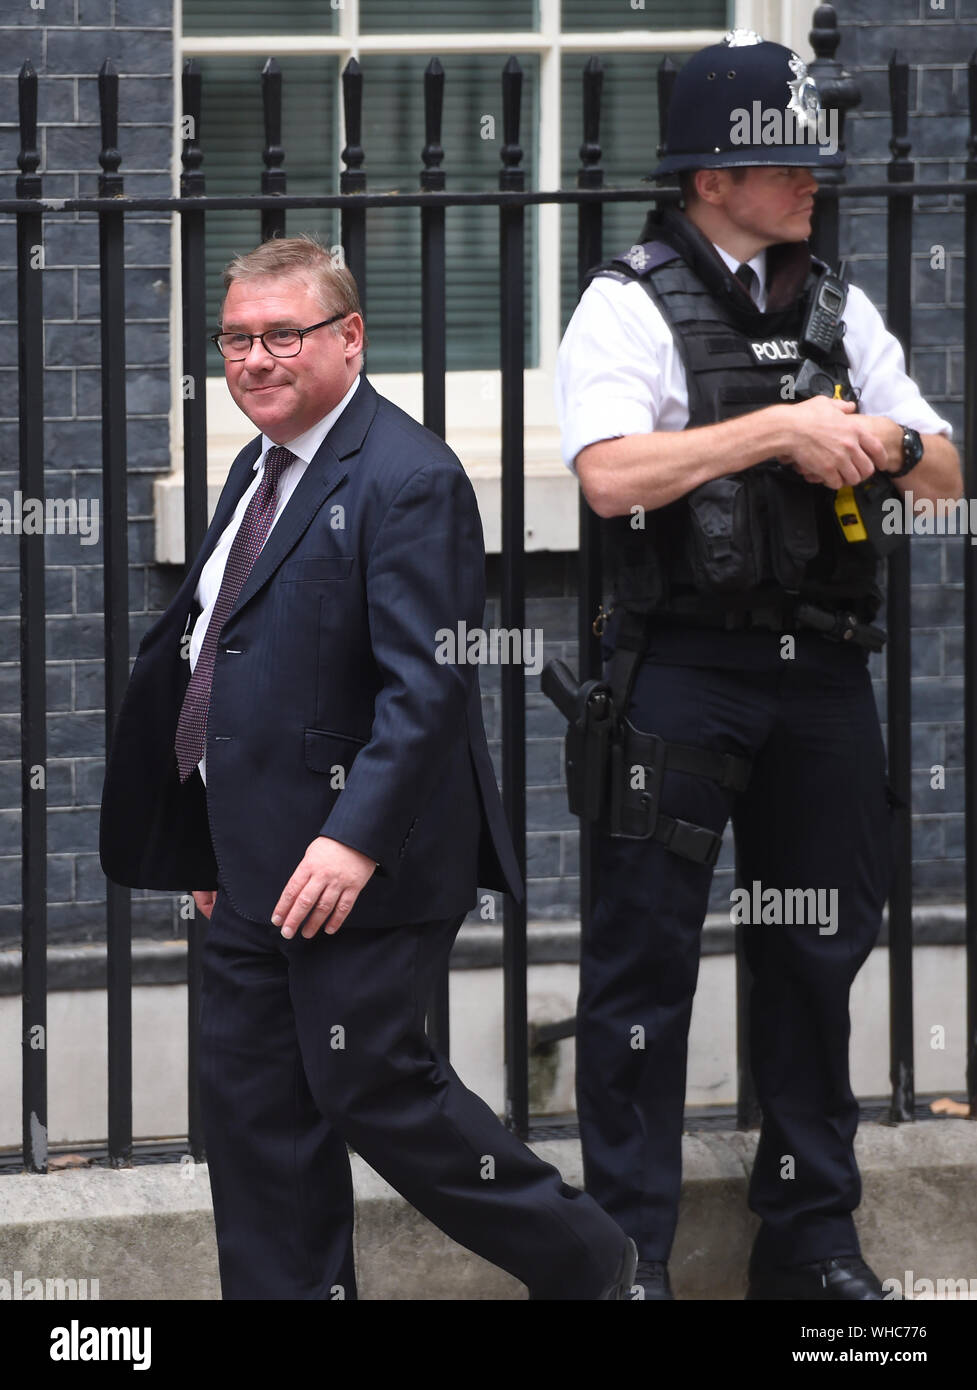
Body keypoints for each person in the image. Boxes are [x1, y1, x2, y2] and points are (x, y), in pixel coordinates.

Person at [99, 235, 636, 1300]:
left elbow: (426, 687)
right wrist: (202, 833)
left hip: (360, 865)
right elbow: (220, 648)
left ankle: (587, 1261)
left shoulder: (408, 476)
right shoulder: (260, 467)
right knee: (256, 1117)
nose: (254, 360)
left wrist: (349, 837)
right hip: (249, 864)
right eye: (237, 339)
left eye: (281, 336)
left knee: (373, 1087)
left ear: (348, 340)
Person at [554, 30, 961, 1301]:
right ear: (706, 178)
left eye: (809, 160)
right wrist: (774, 431)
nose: (808, 180)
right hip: (679, 668)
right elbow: (609, 473)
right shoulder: (626, 300)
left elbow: (948, 475)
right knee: (641, 966)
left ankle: (812, 1245)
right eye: (779, 161)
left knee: (815, 953)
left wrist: (880, 444)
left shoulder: (840, 306)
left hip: (823, 677)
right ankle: (627, 1260)